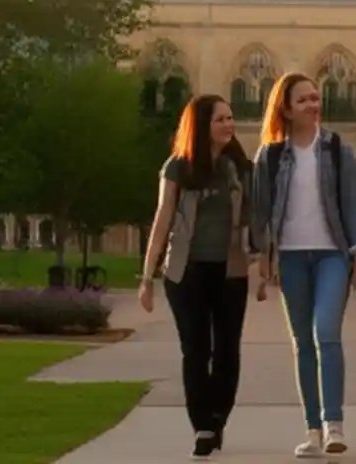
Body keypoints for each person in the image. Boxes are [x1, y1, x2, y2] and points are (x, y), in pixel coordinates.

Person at [252, 72, 356, 457]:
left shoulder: (338, 150)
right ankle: (313, 430)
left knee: (326, 334)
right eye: (303, 100)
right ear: (285, 107)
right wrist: (262, 259)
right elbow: (261, 212)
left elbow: (354, 206)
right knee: (303, 343)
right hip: (290, 256)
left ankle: (335, 425)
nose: (313, 105)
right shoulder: (270, 156)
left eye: (316, 98)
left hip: (331, 254)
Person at [138, 94, 256, 458]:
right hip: (186, 271)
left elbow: (254, 219)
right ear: (201, 124)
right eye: (220, 119)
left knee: (226, 350)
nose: (229, 125)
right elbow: (162, 220)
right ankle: (202, 425)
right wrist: (147, 276)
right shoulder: (178, 167)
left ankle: (218, 415)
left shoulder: (239, 167)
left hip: (230, 271)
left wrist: (264, 265)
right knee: (195, 349)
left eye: (230, 118)